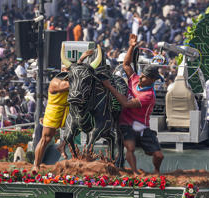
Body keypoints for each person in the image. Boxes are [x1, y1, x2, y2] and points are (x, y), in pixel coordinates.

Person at [101, 34, 164, 174]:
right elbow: (126, 64)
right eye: (142, 74)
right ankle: (135, 172)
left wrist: (110, 87)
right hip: (126, 123)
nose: (140, 77)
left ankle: (156, 170)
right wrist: (131, 46)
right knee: (129, 147)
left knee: (159, 155)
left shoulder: (149, 96)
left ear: (152, 80)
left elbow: (126, 104)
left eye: (145, 76)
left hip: (141, 126)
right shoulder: (135, 78)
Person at [32, 49, 96, 173]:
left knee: (77, 127)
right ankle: (36, 164)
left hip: (68, 109)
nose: (69, 71)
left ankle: (62, 146)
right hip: (54, 110)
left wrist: (81, 59)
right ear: (63, 70)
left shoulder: (71, 76)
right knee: (46, 138)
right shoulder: (56, 82)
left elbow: (76, 76)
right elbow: (71, 83)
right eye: (67, 70)